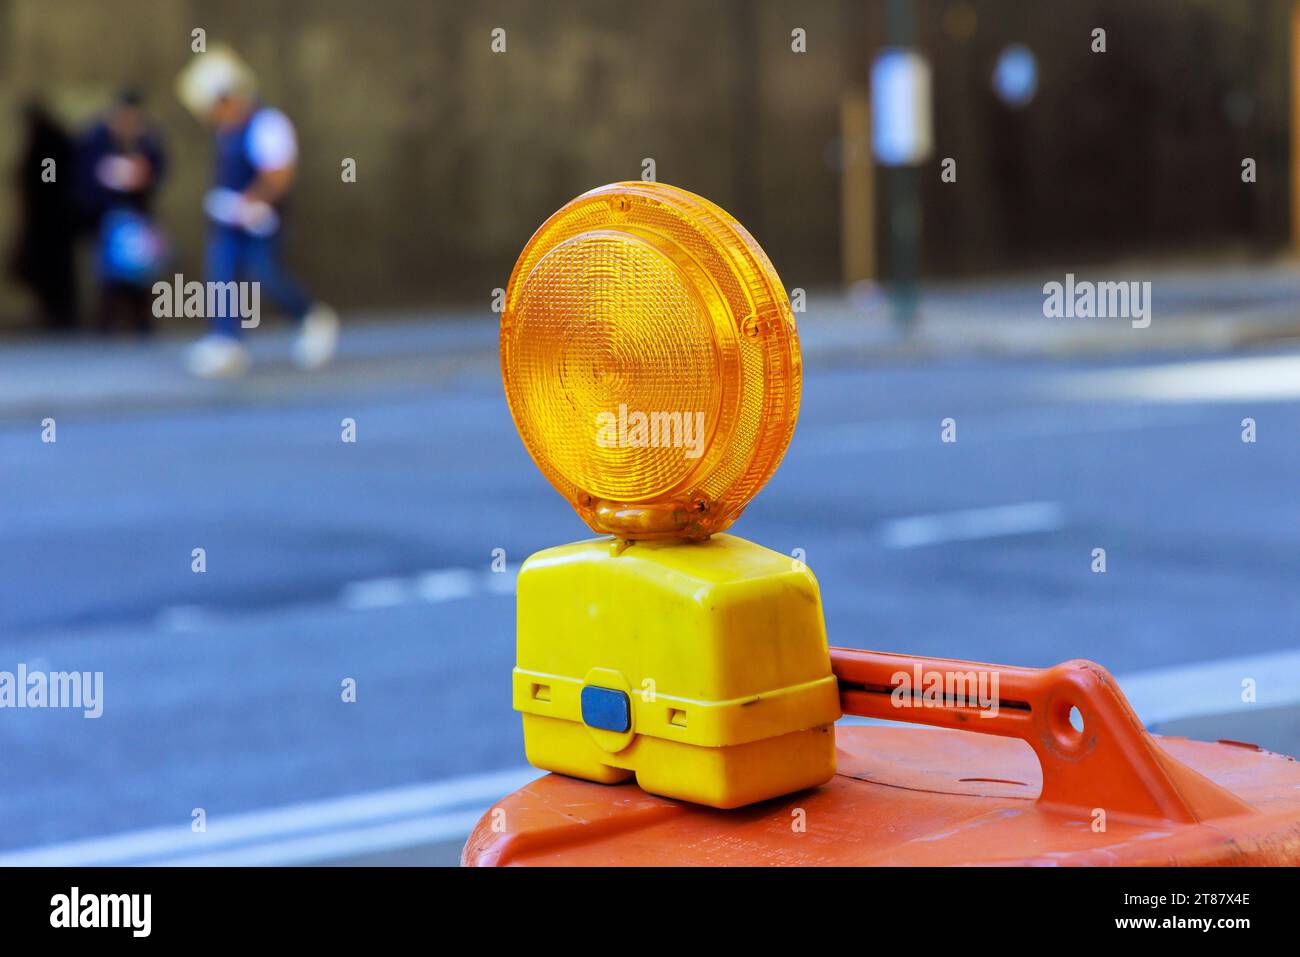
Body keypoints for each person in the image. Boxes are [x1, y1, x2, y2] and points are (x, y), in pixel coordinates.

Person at [175, 46, 337, 377]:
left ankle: (310, 317)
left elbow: (279, 174)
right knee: (221, 274)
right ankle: (226, 341)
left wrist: (251, 203)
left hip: (261, 220)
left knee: (265, 273)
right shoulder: (226, 131)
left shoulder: (268, 124)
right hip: (229, 220)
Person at [77, 89, 168, 334]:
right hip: (108, 212)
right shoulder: (97, 137)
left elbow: (158, 168)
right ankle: (107, 323)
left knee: (142, 269)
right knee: (109, 272)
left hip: (138, 213)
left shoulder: (146, 138)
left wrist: (142, 169)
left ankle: (142, 323)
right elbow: (83, 172)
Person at [7, 100, 79, 332]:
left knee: (50, 271)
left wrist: (43, 187)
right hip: (49, 219)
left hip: (50, 221)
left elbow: (49, 176)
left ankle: (59, 315)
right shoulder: (48, 141)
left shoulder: (48, 145)